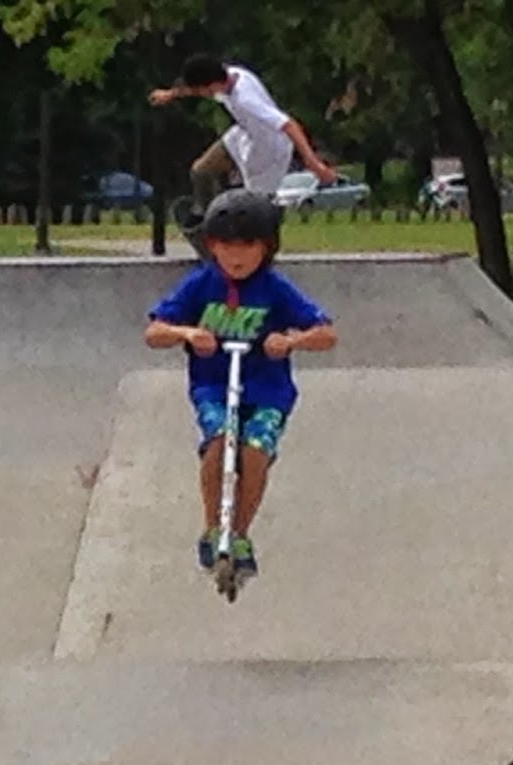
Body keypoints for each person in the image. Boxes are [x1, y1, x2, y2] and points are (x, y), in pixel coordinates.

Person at [144, 189, 337, 582]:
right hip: (214, 385)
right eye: (225, 245)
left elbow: (326, 333)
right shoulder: (200, 285)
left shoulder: (275, 289)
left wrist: (291, 341)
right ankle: (214, 527)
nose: (236, 256)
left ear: (266, 247)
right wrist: (187, 332)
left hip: (268, 390)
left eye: (247, 245)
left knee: (254, 452)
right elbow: (153, 332)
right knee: (218, 443)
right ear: (212, 246)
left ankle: (241, 533)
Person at [149, 52, 337, 221]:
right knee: (201, 171)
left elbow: (289, 125)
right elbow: (196, 86)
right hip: (244, 134)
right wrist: (170, 94)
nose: (203, 95)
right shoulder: (229, 75)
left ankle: (260, 239)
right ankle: (206, 217)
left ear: (213, 85)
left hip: (271, 150)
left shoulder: (247, 100)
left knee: (256, 208)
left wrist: (314, 164)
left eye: (203, 92)